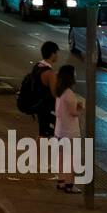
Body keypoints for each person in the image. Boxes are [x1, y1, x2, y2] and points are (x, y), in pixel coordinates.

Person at [53, 65, 85, 193]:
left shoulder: (59, 91)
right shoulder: (69, 93)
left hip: (59, 130)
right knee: (71, 158)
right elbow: (73, 112)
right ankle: (69, 184)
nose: (76, 75)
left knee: (61, 156)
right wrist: (80, 109)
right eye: (74, 73)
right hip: (70, 131)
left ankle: (61, 181)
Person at [33, 41, 60, 145]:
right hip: (46, 107)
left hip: (38, 104)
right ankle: (38, 158)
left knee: (43, 133)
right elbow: (55, 94)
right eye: (57, 53)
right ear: (52, 54)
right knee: (45, 135)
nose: (57, 55)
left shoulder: (38, 66)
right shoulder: (50, 73)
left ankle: (38, 157)